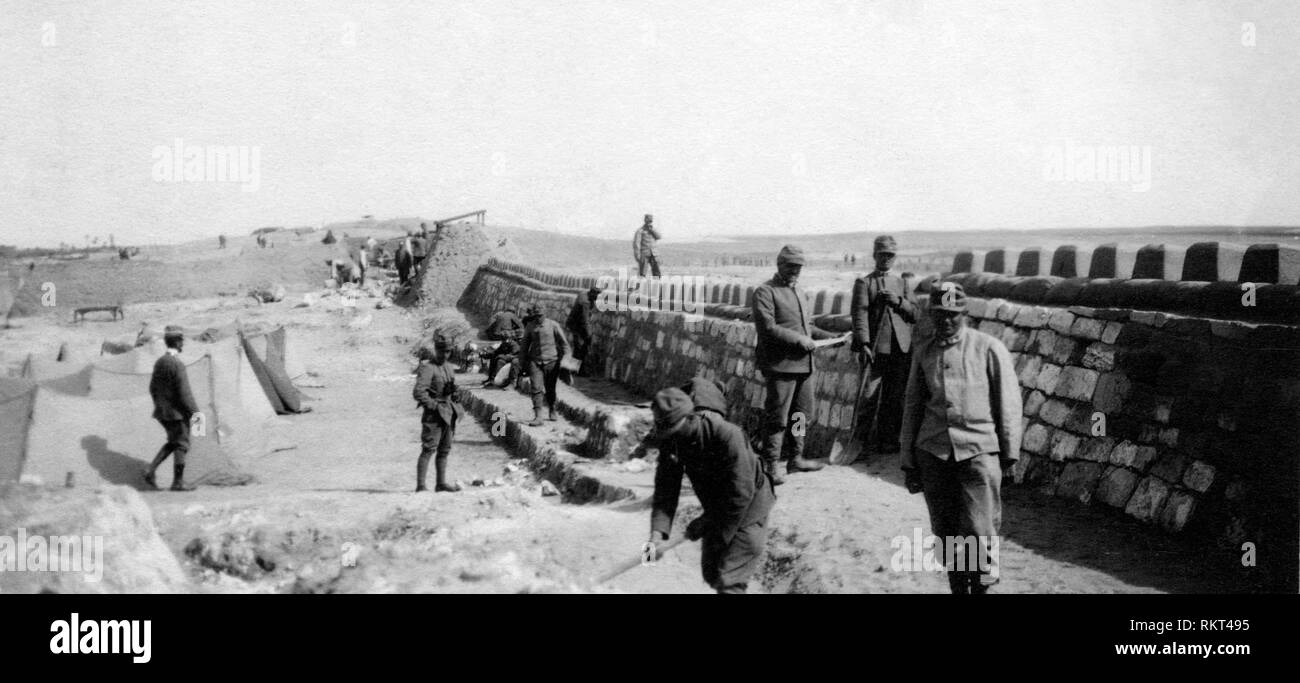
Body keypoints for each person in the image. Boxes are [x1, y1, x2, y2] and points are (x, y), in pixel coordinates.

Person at [900, 283, 1022, 594]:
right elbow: (913, 406)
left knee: (980, 532)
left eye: (953, 315)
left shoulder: (988, 348)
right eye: (940, 315)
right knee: (946, 533)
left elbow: (1007, 404)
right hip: (934, 454)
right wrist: (908, 461)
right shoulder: (924, 353)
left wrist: (1008, 456)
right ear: (931, 315)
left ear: (965, 314)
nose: (946, 322)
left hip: (979, 452)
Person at [647, 386, 776, 594]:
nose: (672, 437)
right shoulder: (671, 440)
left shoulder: (727, 435)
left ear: (690, 418)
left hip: (750, 506)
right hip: (717, 507)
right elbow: (665, 491)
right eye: (667, 433)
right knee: (712, 573)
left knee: (729, 580)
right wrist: (656, 536)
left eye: (674, 431)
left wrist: (702, 524)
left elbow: (740, 494)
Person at [751, 245, 836, 484]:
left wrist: (828, 337)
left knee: (801, 415)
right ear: (779, 265)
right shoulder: (765, 292)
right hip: (780, 366)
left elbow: (805, 328)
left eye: (798, 267)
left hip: (803, 366)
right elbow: (768, 329)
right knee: (777, 417)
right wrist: (800, 340)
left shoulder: (799, 292)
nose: (795, 271)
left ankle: (795, 459)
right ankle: (770, 465)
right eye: (791, 266)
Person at [850, 235, 918, 458]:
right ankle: (859, 444)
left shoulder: (902, 284)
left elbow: (915, 313)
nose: (886, 259)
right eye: (882, 255)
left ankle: (888, 442)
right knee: (868, 398)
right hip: (876, 349)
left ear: (894, 257)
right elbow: (859, 315)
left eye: (890, 255)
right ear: (874, 256)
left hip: (900, 350)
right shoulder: (865, 283)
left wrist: (897, 301)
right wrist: (864, 344)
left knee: (894, 398)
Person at [143, 326, 201, 491]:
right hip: (176, 414)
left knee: (173, 442)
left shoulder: (160, 362)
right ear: (176, 342)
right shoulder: (177, 364)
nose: (183, 343)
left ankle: (150, 470)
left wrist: (160, 406)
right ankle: (178, 482)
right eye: (181, 340)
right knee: (181, 445)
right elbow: (185, 394)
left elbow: (152, 388)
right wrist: (196, 414)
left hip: (162, 412)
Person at [412, 335, 464, 493]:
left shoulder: (449, 367)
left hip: (449, 412)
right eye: (442, 351)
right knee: (428, 448)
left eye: (448, 351)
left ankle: (440, 483)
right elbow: (418, 392)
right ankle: (421, 486)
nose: (445, 354)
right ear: (436, 350)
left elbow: (451, 388)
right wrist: (433, 405)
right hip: (434, 415)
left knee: (444, 450)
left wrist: (455, 394)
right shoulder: (428, 368)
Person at [518, 304, 568, 426]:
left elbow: (564, 344)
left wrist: (566, 361)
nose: (538, 318)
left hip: (552, 362)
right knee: (536, 388)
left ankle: (552, 408)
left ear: (545, 314)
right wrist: (522, 363)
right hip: (535, 361)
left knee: (550, 389)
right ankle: (538, 416)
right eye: (536, 316)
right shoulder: (530, 327)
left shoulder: (553, 325)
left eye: (540, 316)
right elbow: (524, 346)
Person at [565, 286, 601, 375]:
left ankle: (575, 369)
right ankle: (577, 370)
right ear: (592, 294)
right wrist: (588, 334)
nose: (596, 298)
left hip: (577, 324)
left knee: (580, 347)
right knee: (579, 347)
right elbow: (585, 321)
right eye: (595, 296)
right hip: (576, 325)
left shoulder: (584, 294)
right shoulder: (585, 302)